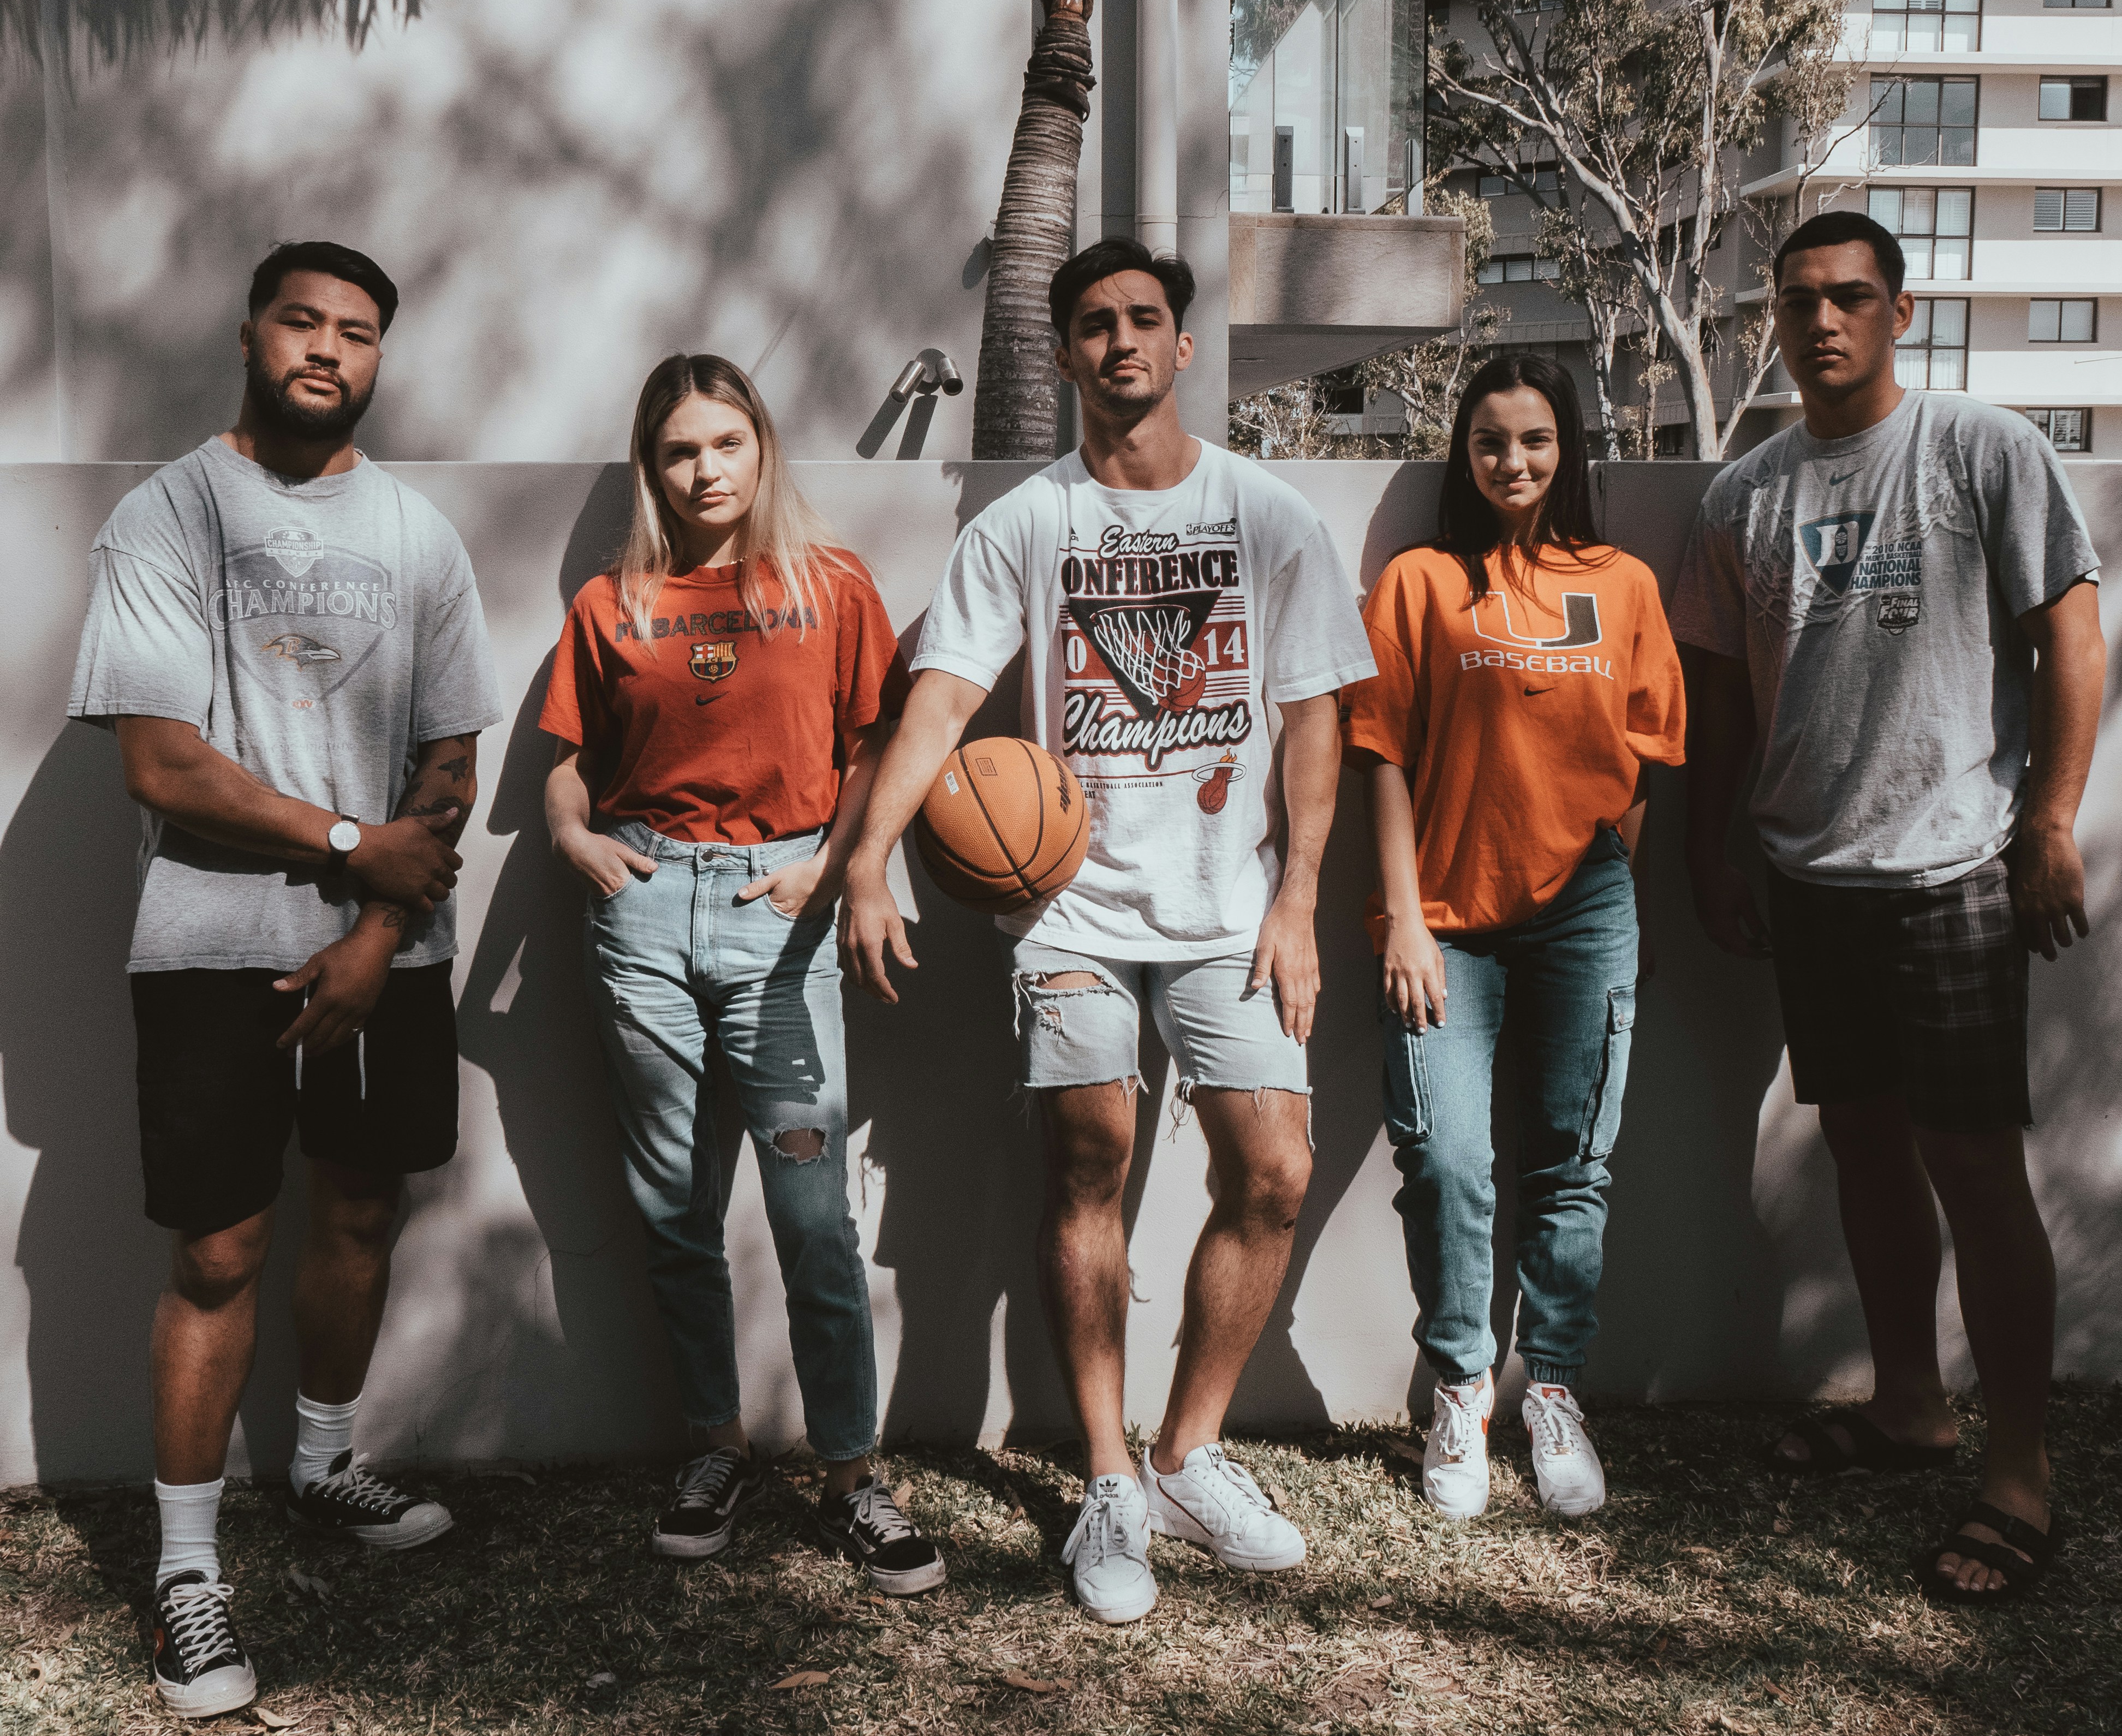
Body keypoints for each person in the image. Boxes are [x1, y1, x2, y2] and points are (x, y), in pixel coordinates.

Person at [838, 238, 1376, 1625]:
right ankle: (1103, 1481)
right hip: (1068, 902)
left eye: (1146, 320)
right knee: (1091, 1163)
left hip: (1229, 905)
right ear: (1066, 356)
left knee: (1272, 1168)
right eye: (1095, 325)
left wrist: (1303, 893)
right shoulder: (1024, 524)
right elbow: (943, 702)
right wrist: (869, 860)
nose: (1123, 341)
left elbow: (1318, 714)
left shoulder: (1269, 514)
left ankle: (1190, 1451)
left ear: (1183, 347)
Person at [68, 242, 503, 1717]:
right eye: (303, 321)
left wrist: (378, 934)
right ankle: (189, 1574)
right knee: (219, 1254)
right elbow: (162, 761)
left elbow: (450, 764)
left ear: (380, 357)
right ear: (248, 330)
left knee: (365, 1206)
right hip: (212, 949)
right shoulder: (166, 515)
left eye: (358, 331)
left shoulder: (419, 534)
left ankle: (322, 1464)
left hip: (388, 954)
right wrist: (344, 844)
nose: (328, 348)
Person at [1672, 211, 2103, 1606]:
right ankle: (1912, 1409)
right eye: (1798, 301)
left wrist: (2047, 823)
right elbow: (1723, 703)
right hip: (1811, 876)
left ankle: (2019, 1473)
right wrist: (1712, 851)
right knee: (1861, 1145)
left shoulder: (1985, 448)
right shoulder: (1744, 496)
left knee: (1975, 1167)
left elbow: (2073, 638)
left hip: (1955, 865)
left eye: (1851, 297)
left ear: (1900, 312)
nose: (1821, 321)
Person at [540, 355, 943, 1597]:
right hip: (649, 909)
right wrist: (573, 839)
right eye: (679, 452)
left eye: (725, 444)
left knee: (814, 1217)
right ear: (651, 467)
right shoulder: (616, 602)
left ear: (761, 448)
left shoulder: (830, 587)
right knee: (674, 1203)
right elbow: (565, 755)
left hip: (782, 912)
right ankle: (714, 1449)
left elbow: (877, 741)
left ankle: (852, 1474)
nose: (705, 470)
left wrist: (832, 866)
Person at [1343, 353, 1685, 1523]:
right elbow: (1378, 754)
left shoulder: (1624, 585)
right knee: (1443, 1160)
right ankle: (1459, 1386)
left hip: (1584, 911)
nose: (1514, 461)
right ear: (1464, 452)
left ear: (1567, 450)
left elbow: (1645, 761)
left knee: (1569, 1160)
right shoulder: (1419, 583)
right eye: (1491, 441)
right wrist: (1399, 918)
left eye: (1535, 440)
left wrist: (1600, 882)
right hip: (1442, 916)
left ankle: (1552, 1390)